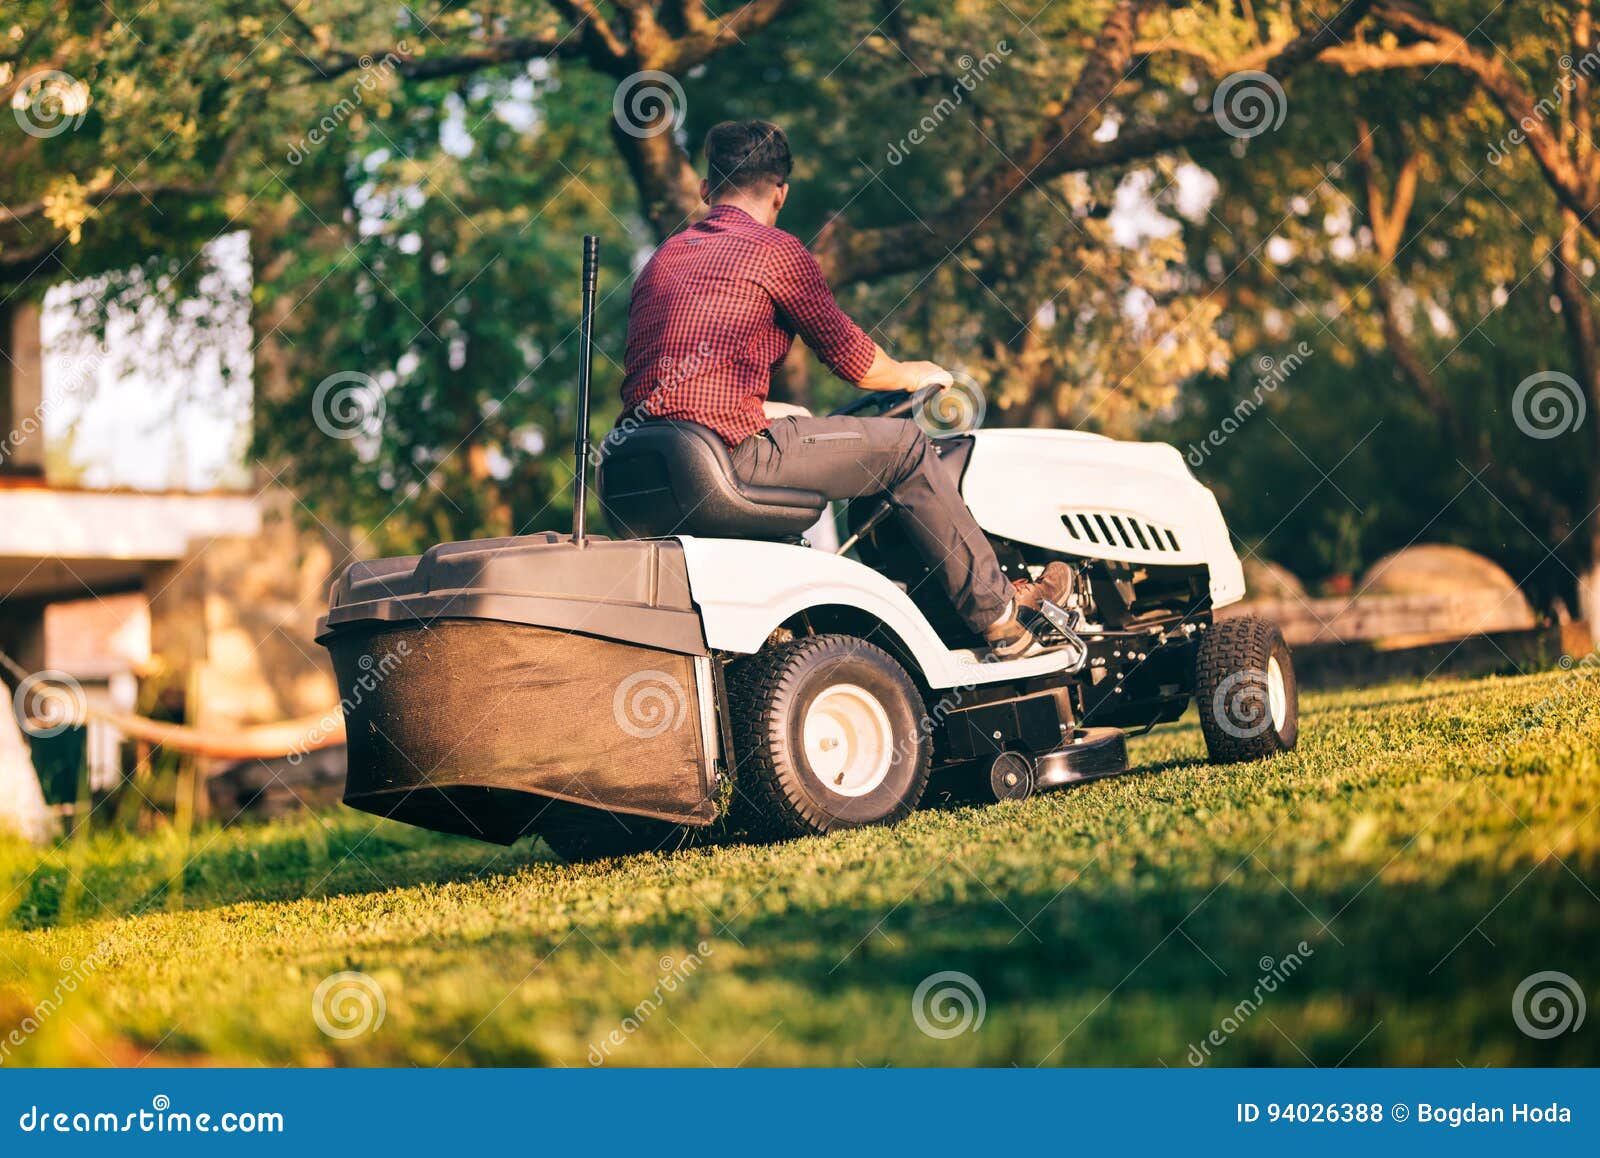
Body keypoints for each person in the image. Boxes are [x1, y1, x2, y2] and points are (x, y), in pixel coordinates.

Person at [617, 120, 1067, 657]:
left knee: (810, 423)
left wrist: (769, 408)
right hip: (725, 458)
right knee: (905, 449)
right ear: (781, 192)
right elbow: (857, 362)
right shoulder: (776, 251)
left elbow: (679, 384)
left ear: (706, 190)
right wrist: (914, 372)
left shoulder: (662, 260)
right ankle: (999, 614)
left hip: (640, 469)